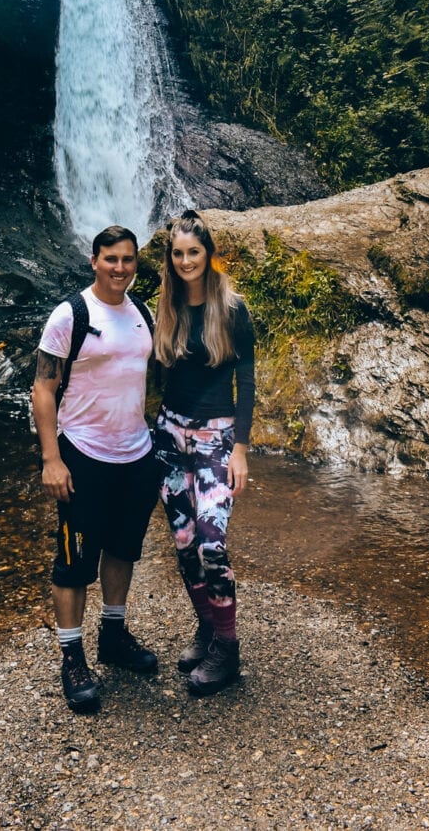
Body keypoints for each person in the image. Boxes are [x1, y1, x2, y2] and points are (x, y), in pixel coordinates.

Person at [32, 224, 159, 714]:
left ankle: (113, 635)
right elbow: (43, 388)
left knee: (123, 548)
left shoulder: (142, 313)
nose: (120, 268)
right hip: (82, 454)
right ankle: (72, 657)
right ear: (94, 260)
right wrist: (51, 458)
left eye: (128, 260)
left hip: (135, 453)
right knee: (74, 561)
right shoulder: (71, 314)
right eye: (111, 259)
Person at [153, 208, 255, 696]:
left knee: (212, 543)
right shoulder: (166, 306)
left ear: (208, 254)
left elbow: (247, 380)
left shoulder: (232, 308)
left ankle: (227, 651)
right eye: (178, 253)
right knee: (185, 543)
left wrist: (241, 448)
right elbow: (156, 375)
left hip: (216, 439)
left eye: (194, 252)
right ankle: (209, 629)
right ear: (170, 258)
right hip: (171, 438)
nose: (186, 260)